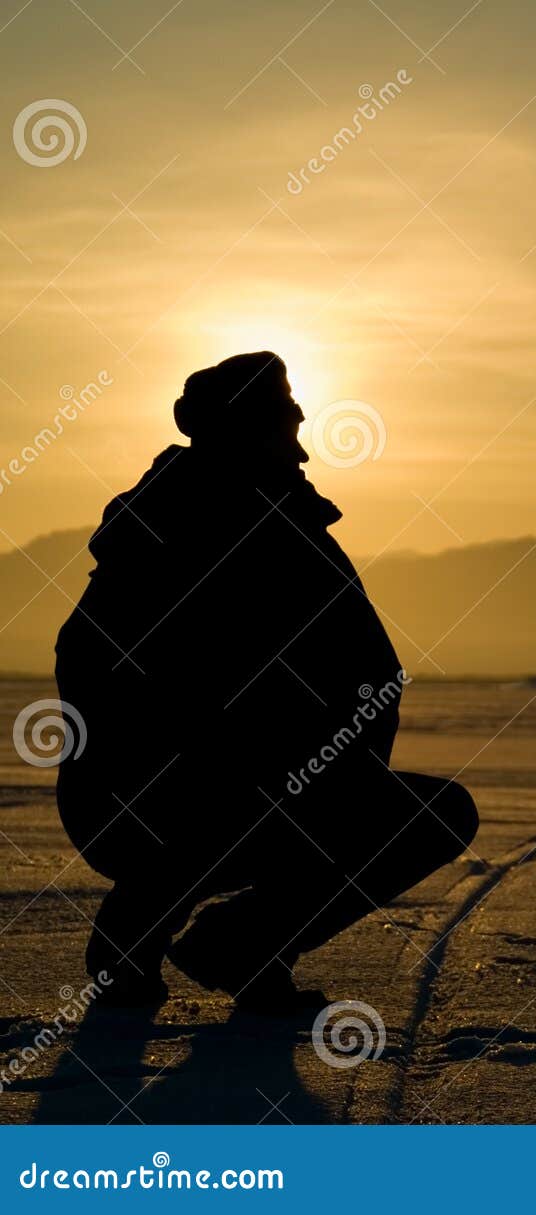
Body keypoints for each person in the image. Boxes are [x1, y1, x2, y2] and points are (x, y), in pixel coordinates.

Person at [54, 352, 477, 1012]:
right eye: (285, 424)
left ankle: (246, 943)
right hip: (165, 798)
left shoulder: (272, 517)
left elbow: (352, 668)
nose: (302, 440)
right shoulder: (191, 528)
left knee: (428, 814)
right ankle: (148, 928)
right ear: (250, 432)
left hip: (248, 788)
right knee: (385, 808)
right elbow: (101, 668)